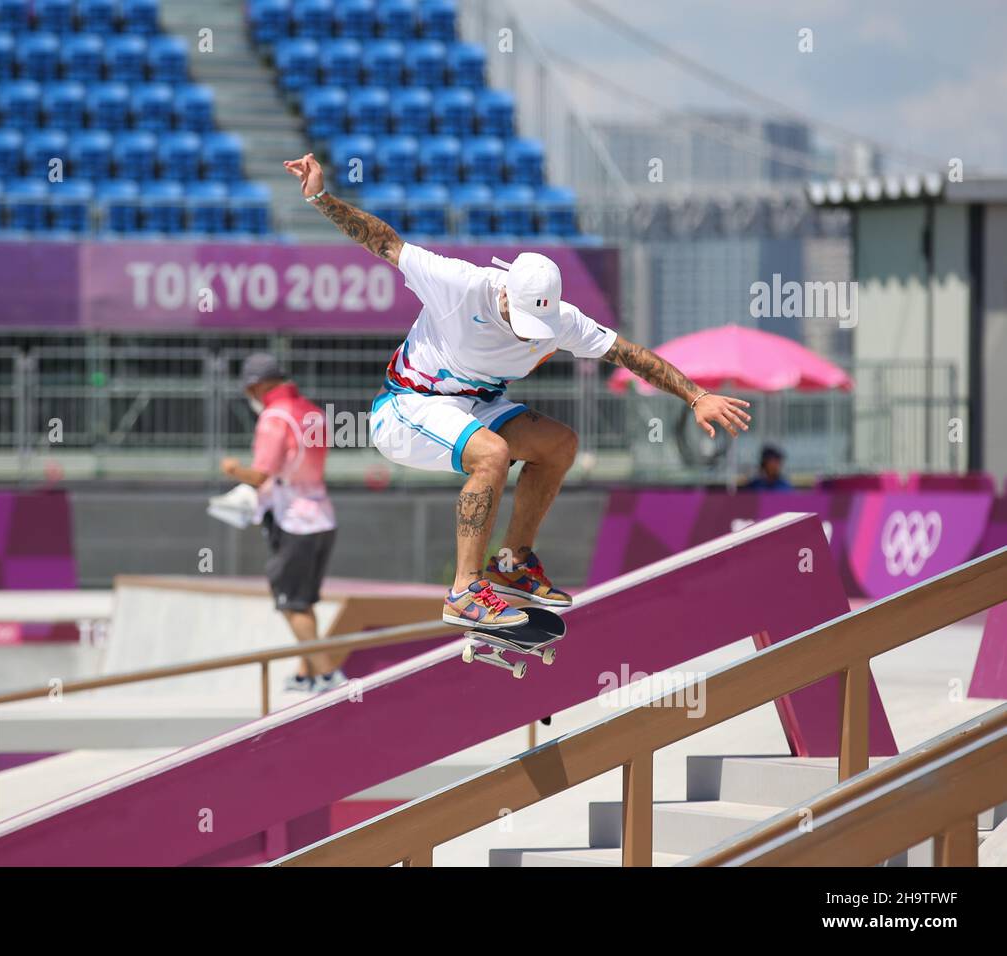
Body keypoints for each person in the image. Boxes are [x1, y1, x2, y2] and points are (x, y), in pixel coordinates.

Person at [283, 152, 752, 628]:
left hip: (475, 407)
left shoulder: (560, 321)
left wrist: (696, 395)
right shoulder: (459, 284)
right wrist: (321, 196)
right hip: (407, 407)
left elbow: (628, 354)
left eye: (537, 327)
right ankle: (464, 591)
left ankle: (512, 564)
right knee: (492, 454)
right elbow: (383, 243)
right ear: (505, 292)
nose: (530, 335)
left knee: (559, 444)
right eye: (521, 322)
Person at [220, 353, 345, 691]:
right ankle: (306, 675)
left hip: (294, 521)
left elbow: (261, 475)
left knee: (292, 604)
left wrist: (232, 469)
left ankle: (329, 676)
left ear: (258, 386)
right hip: (322, 516)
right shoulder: (313, 412)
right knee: (305, 601)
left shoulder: (275, 417)